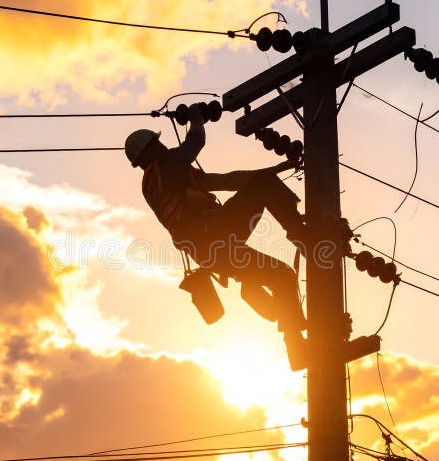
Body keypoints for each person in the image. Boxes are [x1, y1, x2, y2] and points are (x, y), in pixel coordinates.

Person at [125, 105, 309, 371]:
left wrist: (274, 170)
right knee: (265, 189)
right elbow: (195, 143)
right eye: (159, 143)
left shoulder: (161, 179)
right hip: (215, 234)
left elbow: (224, 180)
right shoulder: (165, 165)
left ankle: (296, 348)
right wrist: (197, 119)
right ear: (152, 150)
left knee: (283, 276)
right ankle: (301, 235)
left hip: (213, 254)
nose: (163, 146)